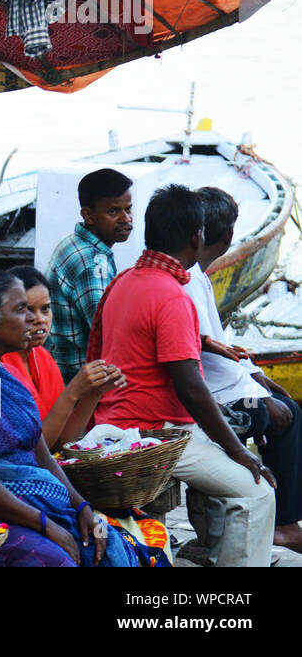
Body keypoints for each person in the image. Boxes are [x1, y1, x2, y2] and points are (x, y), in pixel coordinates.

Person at [88, 184, 277, 567]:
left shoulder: (124, 281)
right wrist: (240, 452)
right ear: (197, 238)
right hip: (154, 434)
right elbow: (189, 385)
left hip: (115, 421)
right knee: (256, 491)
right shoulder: (172, 295)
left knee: (224, 455)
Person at [0, 269, 147, 566]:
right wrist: (46, 524)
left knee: (105, 546)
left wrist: (83, 507)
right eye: (21, 310)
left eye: (40, 309)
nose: (34, 319)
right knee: (54, 560)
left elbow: (41, 456)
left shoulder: (3, 375)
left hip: (15, 496)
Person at [185, 186, 302, 553]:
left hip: (218, 386)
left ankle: (285, 521)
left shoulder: (198, 276)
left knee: (284, 406)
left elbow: (218, 344)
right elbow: (207, 360)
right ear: (226, 236)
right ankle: (284, 524)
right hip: (209, 399)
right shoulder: (189, 282)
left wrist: (257, 377)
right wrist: (257, 396)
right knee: (286, 415)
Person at [0, 265, 126, 450]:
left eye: (45, 309)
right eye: (26, 310)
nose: (39, 319)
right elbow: (33, 453)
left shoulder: (42, 358)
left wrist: (94, 392)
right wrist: (72, 392)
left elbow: (62, 443)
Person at [46, 168, 134, 377]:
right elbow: (108, 334)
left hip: (61, 370)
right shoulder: (93, 264)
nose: (125, 219)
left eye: (128, 209)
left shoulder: (73, 243)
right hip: (80, 386)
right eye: (113, 211)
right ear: (88, 215)